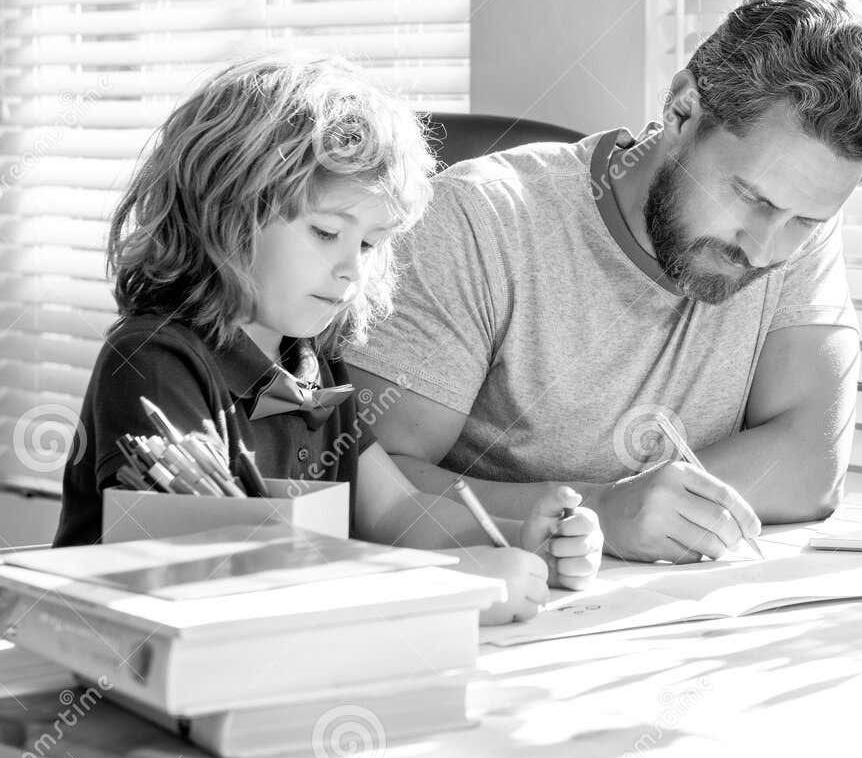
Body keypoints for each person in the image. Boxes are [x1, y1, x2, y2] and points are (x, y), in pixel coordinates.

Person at [347, 0, 862, 563]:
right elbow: (362, 481)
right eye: (752, 199)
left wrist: (647, 508)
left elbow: (809, 465)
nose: (765, 250)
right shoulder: (477, 221)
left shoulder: (794, 225)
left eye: (806, 221)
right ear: (683, 110)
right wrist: (599, 512)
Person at [57, 53, 601, 623]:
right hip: (128, 670)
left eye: (368, 245)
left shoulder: (311, 367)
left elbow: (395, 510)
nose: (351, 270)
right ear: (226, 212)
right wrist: (448, 594)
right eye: (326, 232)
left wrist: (512, 540)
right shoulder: (155, 361)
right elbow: (217, 569)